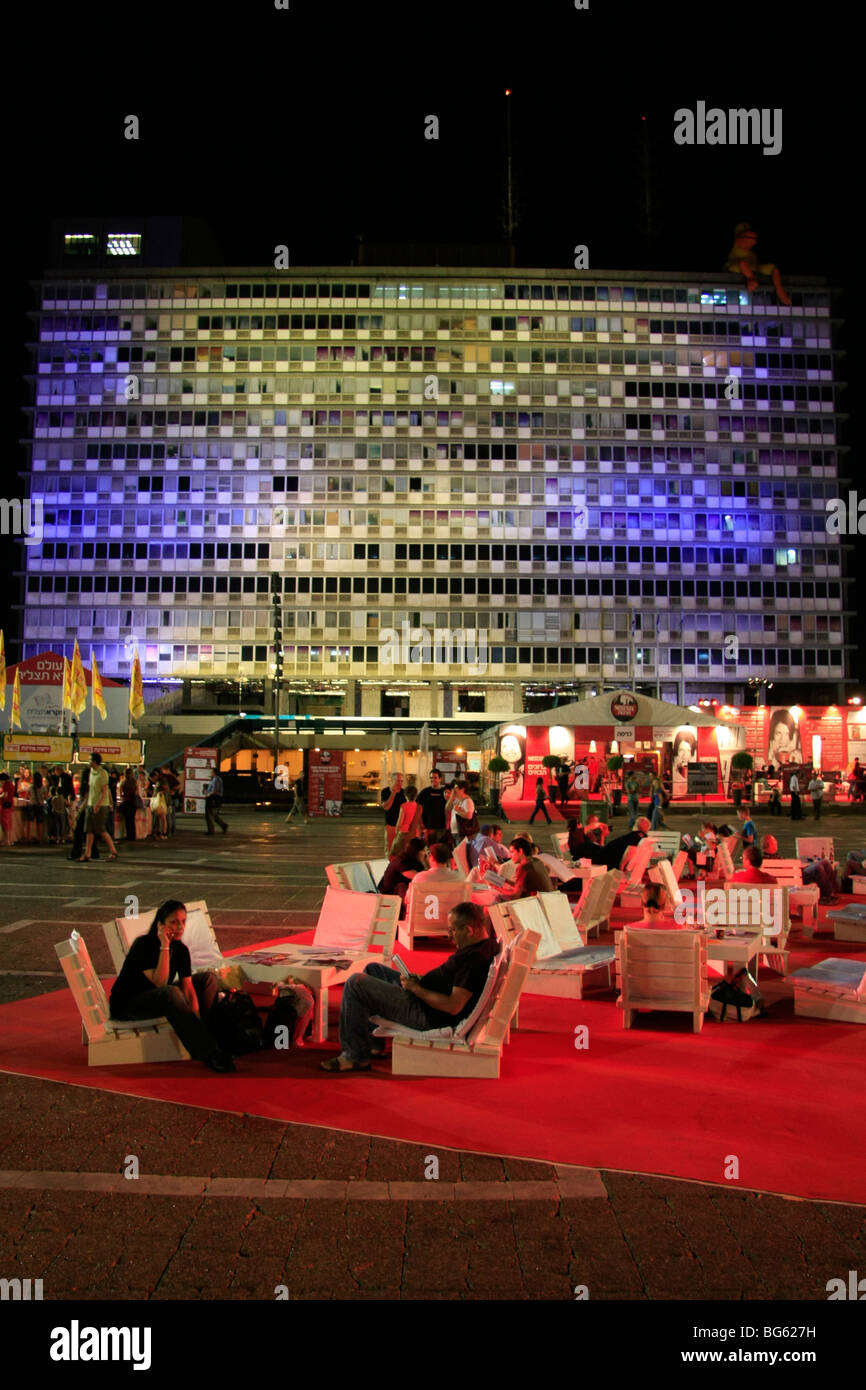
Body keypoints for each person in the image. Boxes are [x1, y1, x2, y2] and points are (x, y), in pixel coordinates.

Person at [321, 901, 498, 1072]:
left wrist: (416, 989)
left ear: (468, 930)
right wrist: (419, 983)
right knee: (373, 969)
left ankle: (354, 1056)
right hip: (424, 997)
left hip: (425, 1013)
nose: (449, 936)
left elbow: (453, 1005)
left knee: (355, 984)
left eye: (452, 930)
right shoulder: (486, 946)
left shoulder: (473, 960)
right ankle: (373, 1045)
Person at [109, 899, 234, 1073]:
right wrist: (165, 946)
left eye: (183, 921)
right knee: (170, 992)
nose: (180, 927)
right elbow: (159, 982)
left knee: (208, 979)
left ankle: (210, 1036)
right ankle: (209, 1053)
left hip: (156, 997)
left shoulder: (181, 949)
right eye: (173, 922)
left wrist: (197, 1021)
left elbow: (188, 989)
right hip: (129, 1003)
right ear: (160, 925)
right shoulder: (143, 945)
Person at [482, 835, 553, 901]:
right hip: (547, 901)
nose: (510, 855)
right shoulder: (537, 861)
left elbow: (515, 895)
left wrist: (494, 887)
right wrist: (504, 880)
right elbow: (522, 886)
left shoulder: (524, 867)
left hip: (537, 904)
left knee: (494, 898)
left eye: (512, 852)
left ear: (520, 851)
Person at [79, 753, 118, 862]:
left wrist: (98, 804)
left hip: (101, 806)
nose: (88, 762)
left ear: (95, 761)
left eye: (90, 760)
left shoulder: (103, 773)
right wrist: (86, 803)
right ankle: (87, 853)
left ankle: (113, 851)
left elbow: (104, 790)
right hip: (91, 804)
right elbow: (91, 790)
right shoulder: (91, 773)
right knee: (89, 830)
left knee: (101, 830)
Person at [377, 836, 427, 906]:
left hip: (400, 893)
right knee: (402, 886)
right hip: (390, 894)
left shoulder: (416, 861)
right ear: (416, 851)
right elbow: (421, 878)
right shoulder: (401, 862)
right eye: (423, 850)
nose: (425, 853)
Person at [417, 769, 448, 845]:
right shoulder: (425, 792)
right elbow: (418, 808)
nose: (432, 779)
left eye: (435, 777)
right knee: (429, 847)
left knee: (440, 848)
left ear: (440, 779)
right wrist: (420, 823)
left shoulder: (445, 792)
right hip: (428, 826)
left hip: (442, 826)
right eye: (431, 778)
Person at [381, 773, 405, 851]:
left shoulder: (404, 793)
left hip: (401, 827)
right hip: (390, 825)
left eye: (401, 781)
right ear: (391, 781)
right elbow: (386, 807)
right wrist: (393, 793)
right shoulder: (385, 791)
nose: (400, 783)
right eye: (398, 781)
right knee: (390, 849)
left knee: (401, 850)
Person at [204, 769, 228, 835]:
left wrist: (208, 794)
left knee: (210, 815)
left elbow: (215, 790)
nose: (210, 773)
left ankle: (211, 831)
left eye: (212, 772)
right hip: (212, 798)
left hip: (213, 799)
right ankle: (223, 825)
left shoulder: (217, 779)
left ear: (214, 773)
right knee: (213, 815)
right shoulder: (214, 779)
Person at [119, 766, 140, 843]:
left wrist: (123, 797)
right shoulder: (134, 782)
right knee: (132, 819)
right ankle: (133, 835)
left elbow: (120, 792)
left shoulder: (123, 782)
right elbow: (137, 792)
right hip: (133, 802)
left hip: (126, 802)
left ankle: (128, 835)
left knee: (127, 820)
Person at [1, 771, 17, 847]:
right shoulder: (11, 784)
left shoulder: (6, 785)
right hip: (10, 805)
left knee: (5, 823)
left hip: (5, 805)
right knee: (9, 823)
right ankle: (9, 839)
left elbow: (5, 795)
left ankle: (6, 840)